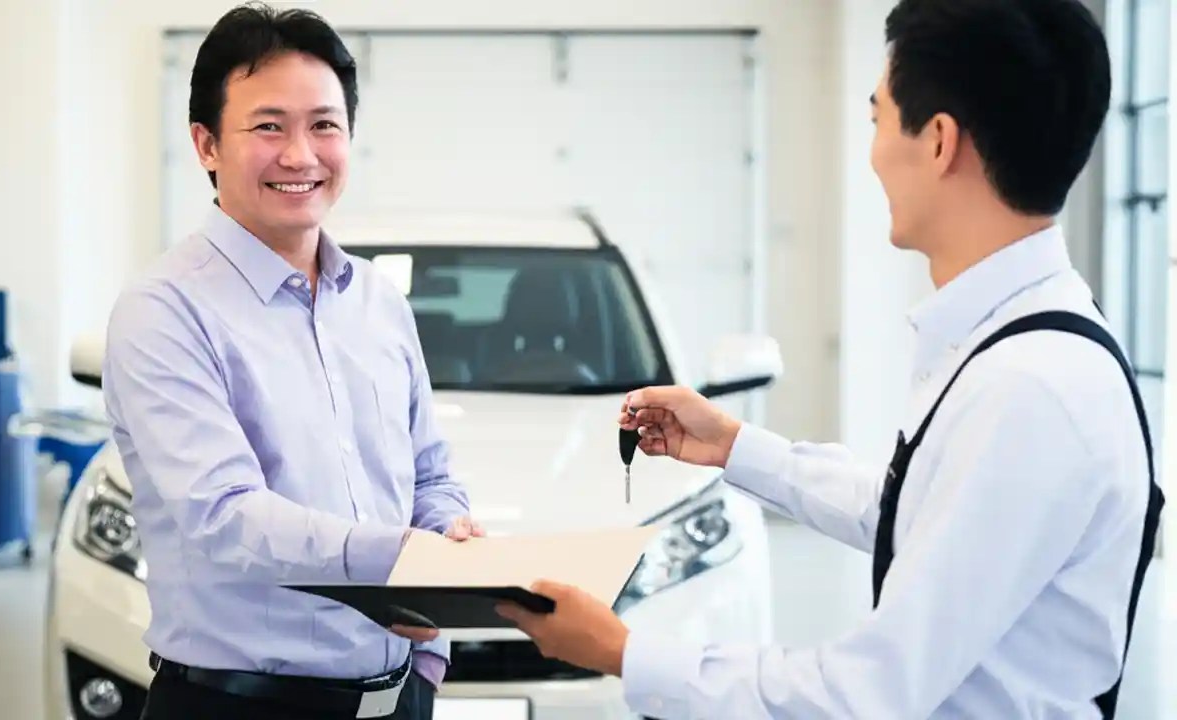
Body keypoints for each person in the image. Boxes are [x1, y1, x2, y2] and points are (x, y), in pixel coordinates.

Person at [496, 0, 1165, 717]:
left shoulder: (1030, 390)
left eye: (876, 117)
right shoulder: (1019, 346)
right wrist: (735, 447)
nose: (872, 150)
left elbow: (866, 692)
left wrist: (623, 654)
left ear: (938, 141)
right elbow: (920, 515)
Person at [101, 4, 480, 719]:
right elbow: (225, 516)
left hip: (399, 699)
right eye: (269, 126)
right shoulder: (164, 309)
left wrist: (446, 544)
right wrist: (398, 558)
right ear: (206, 143)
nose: (302, 155)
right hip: (241, 704)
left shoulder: (377, 302)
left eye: (324, 125)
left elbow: (429, 474)